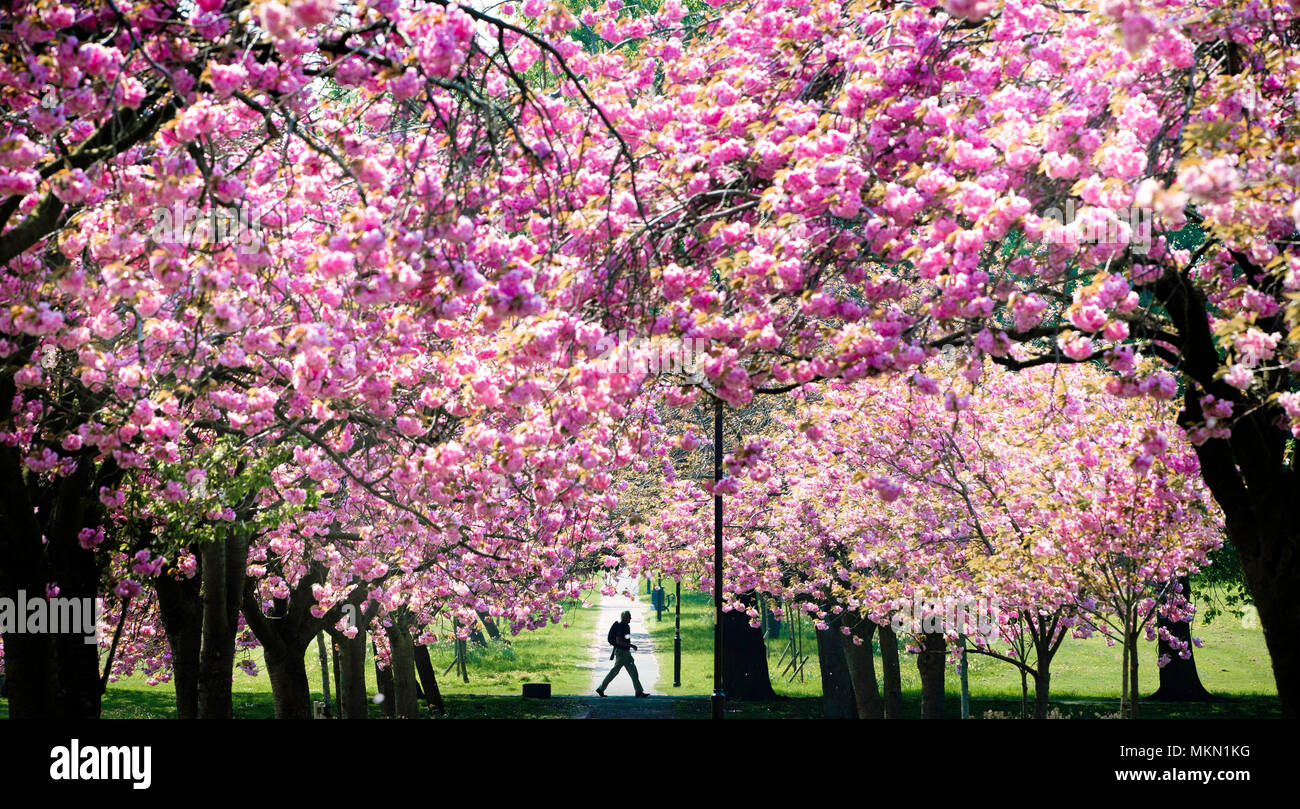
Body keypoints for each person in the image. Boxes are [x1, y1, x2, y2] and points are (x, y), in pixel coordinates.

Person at [596, 610, 649, 697]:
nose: (630, 618)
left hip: (624, 653)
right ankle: (601, 688)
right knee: (615, 672)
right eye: (629, 617)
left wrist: (613, 653)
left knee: (632, 672)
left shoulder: (625, 626)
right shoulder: (622, 626)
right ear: (624, 617)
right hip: (622, 653)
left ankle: (639, 692)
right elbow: (618, 641)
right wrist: (631, 645)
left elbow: (618, 641)